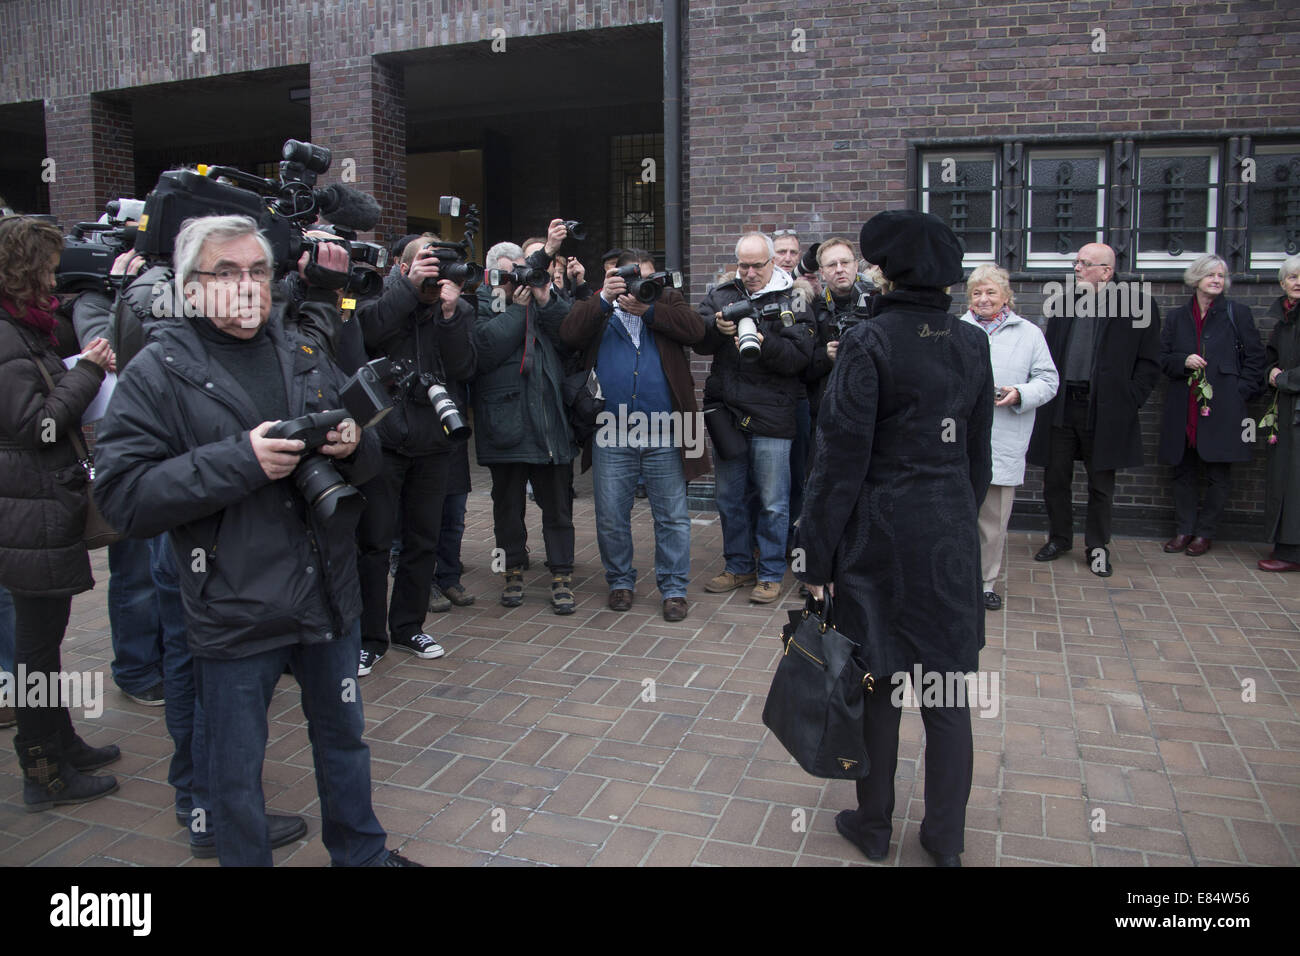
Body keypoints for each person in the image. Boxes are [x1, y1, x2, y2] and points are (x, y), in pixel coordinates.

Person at [93, 214, 416, 866]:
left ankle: (364, 855)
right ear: (190, 289)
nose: (247, 286)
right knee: (234, 774)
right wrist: (242, 461)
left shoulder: (302, 351)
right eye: (226, 273)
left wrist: (356, 445)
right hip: (234, 606)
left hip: (328, 593)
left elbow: (368, 453)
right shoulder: (156, 373)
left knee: (345, 741)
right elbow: (121, 498)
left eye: (258, 271)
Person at [797, 209, 993, 867]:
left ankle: (874, 825)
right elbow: (979, 458)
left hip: (877, 542)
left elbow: (838, 461)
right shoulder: (970, 342)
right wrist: (957, 520)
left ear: (885, 270)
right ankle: (945, 840)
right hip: (948, 537)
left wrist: (815, 553)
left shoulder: (869, 340)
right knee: (947, 695)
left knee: (878, 686)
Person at [0, 215, 120, 810]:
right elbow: (36, 425)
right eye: (45, 266)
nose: (54, 278)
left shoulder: (27, 329)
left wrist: (78, 368)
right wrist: (90, 372)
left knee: (45, 644)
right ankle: (43, 769)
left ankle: (59, 742)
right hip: (27, 510)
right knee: (37, 648)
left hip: (37, 506)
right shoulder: (6, 334)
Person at [560, 249, 708, 621]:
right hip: (611, 427)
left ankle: (674, 589)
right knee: (611, 514)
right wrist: (603, 299)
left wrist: (652, 310)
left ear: (654, 277)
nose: (632, 284)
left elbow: (698, 331)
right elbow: (569, 335)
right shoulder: (599, 307)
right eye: (622, 276)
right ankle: (620, 582)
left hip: (668, 428)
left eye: (641, 276)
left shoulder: (668, 301)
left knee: (672, 515)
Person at [353, 233, 476, 676]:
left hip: (433, 440)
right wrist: (409, 293)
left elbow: (463, 367)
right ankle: (369, 638)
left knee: (423, 540)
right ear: (404, 267)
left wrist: (447, 313)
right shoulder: (380, 300)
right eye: (426, 261)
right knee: (374, 542)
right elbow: (368, 334)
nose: (435, 270)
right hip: (383, 441)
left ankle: (407, 626)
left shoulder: (453, 309)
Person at [1026, 242, 1161, 576]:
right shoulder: (1063, 302)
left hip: (1105, 409)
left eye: (1084, 264)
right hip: (1062, 405)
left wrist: (1130, 399)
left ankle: (1097, 547)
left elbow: (1150, 362)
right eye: (1076, 263)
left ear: (1106, 271)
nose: (1077, 269)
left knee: (1101, 484)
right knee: (1055, 478)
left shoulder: (1137, 306)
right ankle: (1059, 538)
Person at [695, 231, 815, 603]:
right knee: (729, 497)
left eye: (757, 265)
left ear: (773, 262)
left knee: (773, 501)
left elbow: (801, 357)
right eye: (743, 265)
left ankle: (770, 573)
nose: (749, 273)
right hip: (729, 412)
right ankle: (738, 565)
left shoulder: (792, 296)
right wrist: (717, 329)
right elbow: (697, 340)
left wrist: (764, 342)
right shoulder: (721, 293)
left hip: (774, 413)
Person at [473, 223, 579, 613]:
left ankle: (562, 576)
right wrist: (518, 310)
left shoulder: (538, 297)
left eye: (520, 270)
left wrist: (545, 296)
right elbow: (485, 348)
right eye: (508, 272)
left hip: (548, 420)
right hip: (504, 423)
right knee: (507, 507)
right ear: (492, 273)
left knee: (557, 506)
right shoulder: (483, 301)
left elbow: (570, 333)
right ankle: (512, 572)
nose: (514, 279)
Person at [958, 264, 1058, 609]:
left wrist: (1019, 393)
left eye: (990, 292)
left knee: (993, 521)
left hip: (1003, 438)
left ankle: (985, 582)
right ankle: (955, 578)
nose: (982, 299)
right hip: (958, 441)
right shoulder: (954, 330)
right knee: (956, 516)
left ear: (1006, 296)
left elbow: (1048, 380)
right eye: (976, 292)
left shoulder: (1028, 334)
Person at [1157, 254, 1265, 557]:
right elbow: (1162, 358)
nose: (1217, 280)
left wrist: (1238, 392)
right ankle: (1184, 530)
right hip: (1185, 406)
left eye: (1221, 275)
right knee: (1183, 471)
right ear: (1196, 279)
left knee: (1219, 473)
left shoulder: (1237, 313)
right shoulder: (1178, 316)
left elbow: (1256, 358)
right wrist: (1183, 360)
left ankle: (1205, 533)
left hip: (1223, 407)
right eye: (1210, 275)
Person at [1259, 255, 1300, 571]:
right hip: (1286, 410)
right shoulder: (1284, 320)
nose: (1297, 282)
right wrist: (1271, 372)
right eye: (1292, 277)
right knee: (1285, 477)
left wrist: (1283, 379)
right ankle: (1285, 546)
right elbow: (1270, 359)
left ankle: (1291, 553)